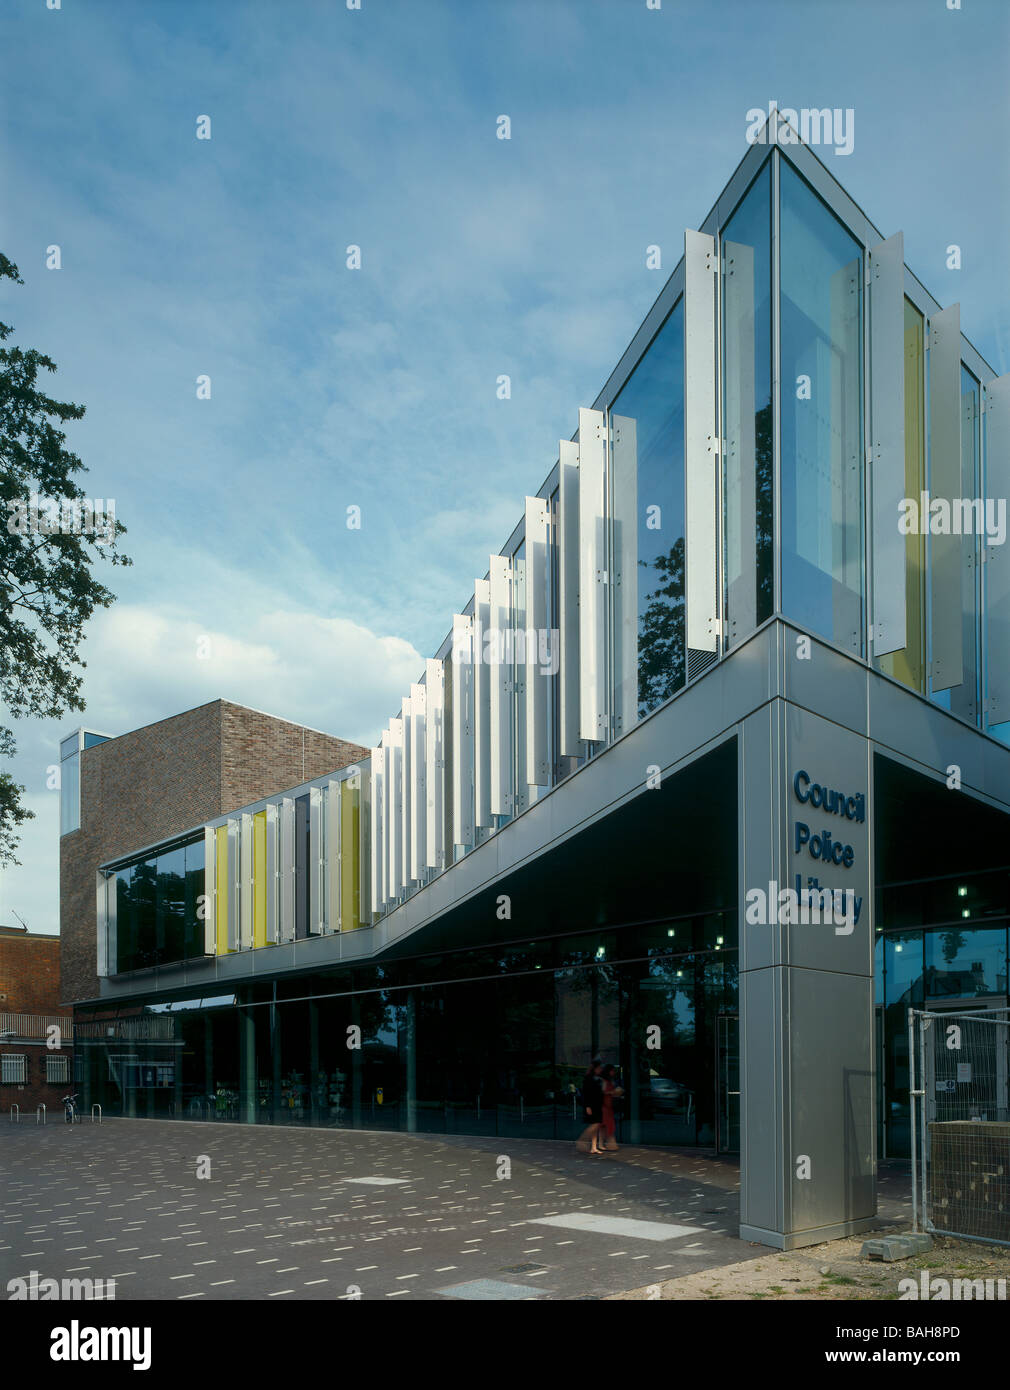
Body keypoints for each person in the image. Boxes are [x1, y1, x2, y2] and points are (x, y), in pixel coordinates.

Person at [576, 1059, 605, 1155]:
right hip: (592, 1105)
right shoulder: (588, 1078)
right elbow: (586, 1093)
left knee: (596, 1124)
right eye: (599, 1068)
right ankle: (583, 1138)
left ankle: (593, 1147)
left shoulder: (598, 1078)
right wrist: (587, 1106)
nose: (601, 1069)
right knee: (596, 1124)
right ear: (595, 1068)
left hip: (597, 1105)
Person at [600, 1064, 624, 1151]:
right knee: (608, 1124)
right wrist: (613, 1092)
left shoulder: (610, 1081)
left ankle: (602, 1144)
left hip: (608, 1105)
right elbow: (603, 1092)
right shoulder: (605, 1081)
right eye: (612, 1071)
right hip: (605, 1106)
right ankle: (610, 1144)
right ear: (608, 1071)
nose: (613, 1072)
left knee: (604, 1125)